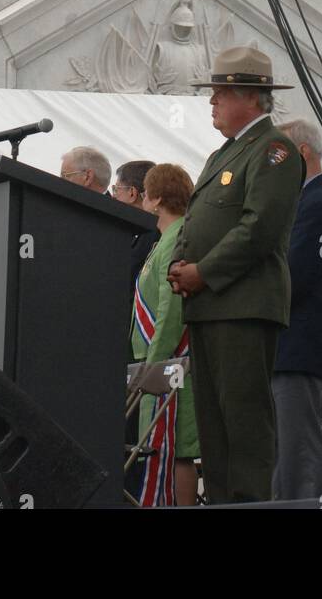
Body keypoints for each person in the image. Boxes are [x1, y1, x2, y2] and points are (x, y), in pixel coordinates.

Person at [167, 45, 303, 505]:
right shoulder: (224, 154)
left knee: (243, 423)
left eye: (220, 94)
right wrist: (179, 265)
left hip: (242, 304)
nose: (212, 103)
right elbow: (199, 221)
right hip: (209, 306)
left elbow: (259, 228)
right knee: (215, 426)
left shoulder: (274, 149)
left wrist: (202, 272)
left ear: (249, 97)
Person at [271, 118, 322, 501]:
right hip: (288, 345)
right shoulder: (305, 202)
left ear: (301, 154)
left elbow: (295, 275)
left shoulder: (317, 205)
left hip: (297, 345)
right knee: (284, 451)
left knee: (297, 450)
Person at [131, 163, 200, 507]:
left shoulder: (178, 238)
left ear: (156, 198)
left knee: (175, 451)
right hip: (162, 361)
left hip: (170, 365)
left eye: (145, 192)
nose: (143, 198)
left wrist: (155, 365)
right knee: (165, 450)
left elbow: (171, 311)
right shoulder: (166, 239)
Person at [112, 160, 159, 305]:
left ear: (132, 193)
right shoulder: (150, 230)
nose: (113, 196)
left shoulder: (151, 234)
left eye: (116, 189)